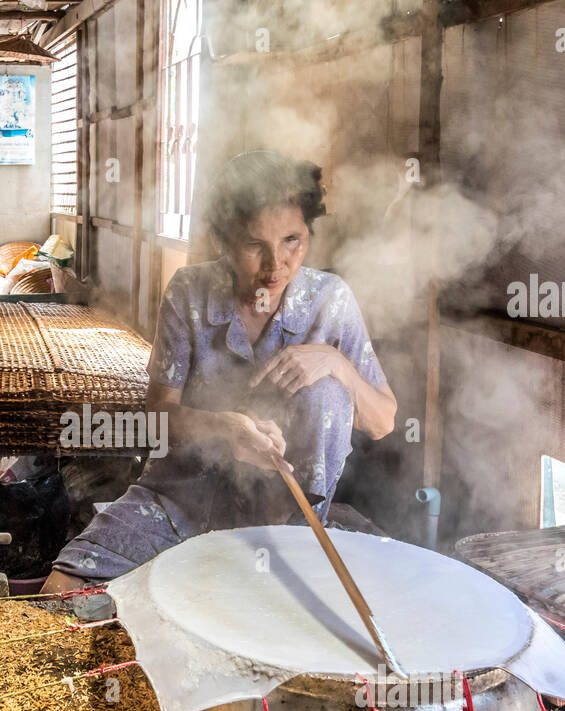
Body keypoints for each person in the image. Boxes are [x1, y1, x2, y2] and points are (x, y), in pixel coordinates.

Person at [43, 150, 397, 592]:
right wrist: (224, 429)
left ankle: (286, 548)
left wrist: (337, 363)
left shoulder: (331, 301)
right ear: (223, 240)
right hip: (183, 496)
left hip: (287, 526)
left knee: (326, 389)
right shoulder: (189, 292)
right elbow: (156, 419)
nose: (275, 264)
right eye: (254, 245)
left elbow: (383, 420)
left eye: (292, 240)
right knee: (60, 589)